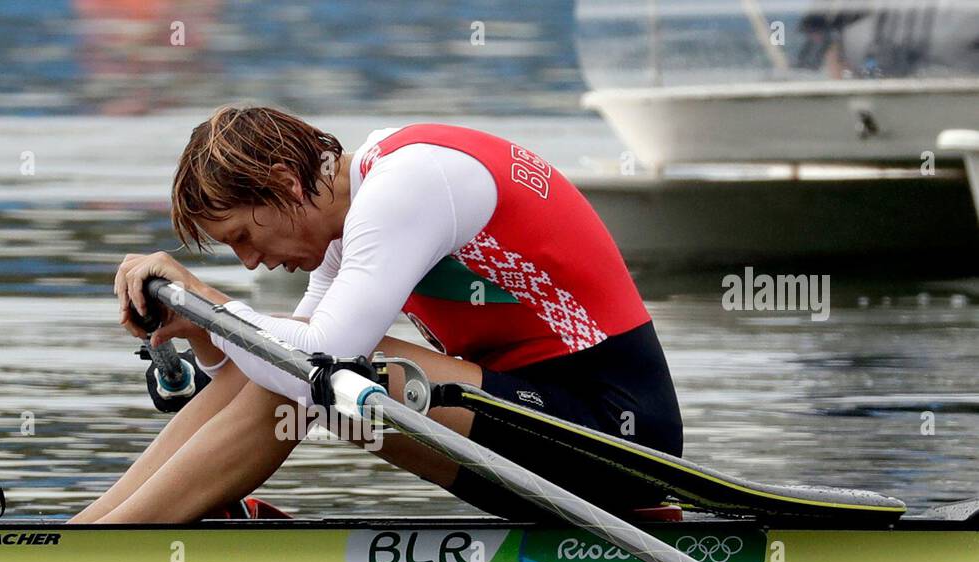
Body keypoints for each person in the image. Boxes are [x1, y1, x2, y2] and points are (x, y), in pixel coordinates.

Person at [70, 106, 682, 524]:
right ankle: (86, 530)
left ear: (285, 183)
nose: (251, 262)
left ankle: (97, 551)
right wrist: (207, 329)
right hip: (534, 426)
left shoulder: (409, 183)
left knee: (322, 371)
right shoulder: (353, 214)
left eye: (242, 237)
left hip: (616, 439)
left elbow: (315, 362)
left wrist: (214, 304)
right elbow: (274, 366)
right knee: (282, 367)